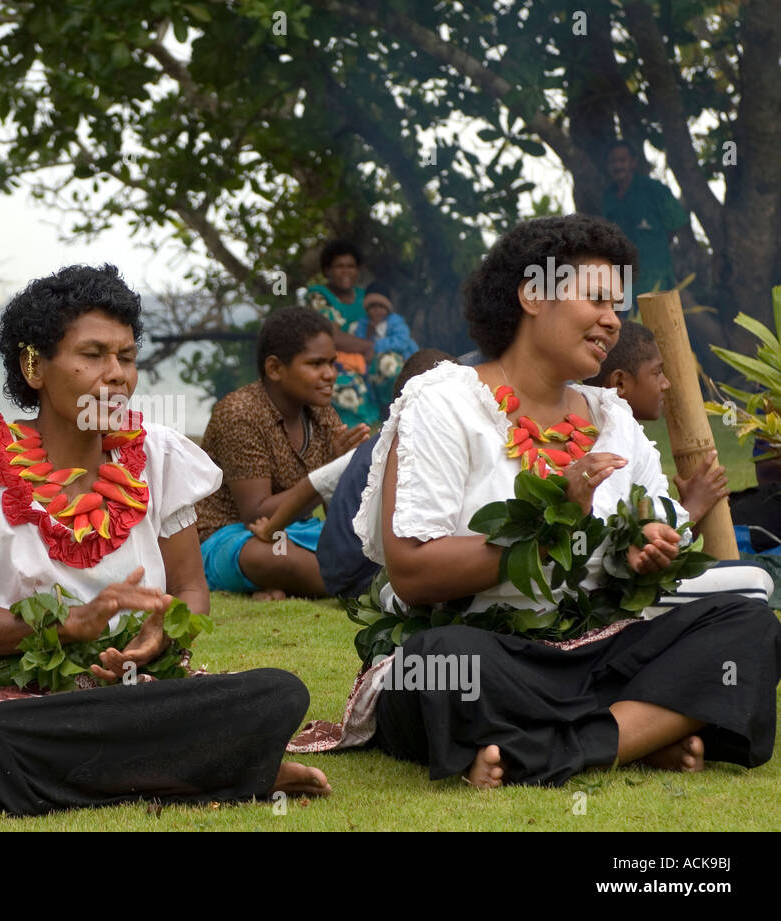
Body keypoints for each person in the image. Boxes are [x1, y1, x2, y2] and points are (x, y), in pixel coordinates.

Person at [289, 215, 781, 789]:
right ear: (531, 294)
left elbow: (649, 531)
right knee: (441, 661)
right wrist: (557, 520)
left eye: (616, 306)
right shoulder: (445, 402)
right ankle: (639, 733)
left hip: (597, 651)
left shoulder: (613, 418)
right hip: (489, 656)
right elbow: (415, 572)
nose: (610, 320)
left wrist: (646, 549)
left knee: (747, 621)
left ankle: (572, 746)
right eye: (595, 299)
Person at [0, 265, 329, 815]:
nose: (116, 375)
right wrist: (70, 626)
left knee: (279, 691)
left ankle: (32, 780)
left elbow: (190, 591)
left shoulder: (160, 457)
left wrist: (158, 639)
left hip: (143, 689)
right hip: (25, 697)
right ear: (34, 365)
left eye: (127, 357)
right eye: (92, 355)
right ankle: (217, 768)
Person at [248, 349, 454, 600]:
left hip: (339, 575)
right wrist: (270, 530)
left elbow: (315, 483)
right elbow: (311, 485)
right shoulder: (394, 446)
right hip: (366, 576)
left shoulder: (378, 444)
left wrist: (271, 529)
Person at [196, 307, 367, 600]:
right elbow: (256, 514)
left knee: (362, 542)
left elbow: (336, 515)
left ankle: (295, 583)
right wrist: (328, 472)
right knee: (274, 557)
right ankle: (352, 584)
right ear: (274, 368)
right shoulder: (241, 414)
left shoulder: (321, 412)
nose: (329, 375)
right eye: (315, 364)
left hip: (295, 530)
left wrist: (338, 475)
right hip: (230, 536)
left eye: (332, 363)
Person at [584, 320, 729, 534]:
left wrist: (677, 507)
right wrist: (692, 508)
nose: (666, 383)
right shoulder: (613, 446)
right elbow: (618, 536)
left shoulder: (624, 436)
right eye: (657, 372)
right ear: (620, 383)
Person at [603, 139, 691, 298]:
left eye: (622, 160)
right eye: (613, 161)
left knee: (655, 322)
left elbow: (677, 223)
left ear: (633, 162)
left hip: (654, 277)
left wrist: (655, 246)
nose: (617, 166)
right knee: (626, 322)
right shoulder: (608, 198)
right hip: (622, 280)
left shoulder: (655, 190)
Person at [304, 239, 379, 426]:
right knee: (349, 388)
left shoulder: (366, 296)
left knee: (393, 366)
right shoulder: (318, 295)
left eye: (351, 266)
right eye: (339, 266)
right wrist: (370, 346)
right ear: (327, 270)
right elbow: (332, 337)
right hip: (333, 364)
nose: (346, 271)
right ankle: (358, 443)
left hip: (369, 360)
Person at [350, 283, 420, 413]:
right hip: (375, 370)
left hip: (402, 361)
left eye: (380, 306)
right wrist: (369, 333)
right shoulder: (364, 323)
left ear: (387, 308)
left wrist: (375, 347)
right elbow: (360, 343)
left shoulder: (395, 321)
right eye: (372, 307)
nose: (376, 311)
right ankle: (383, 409)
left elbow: (401, 343)